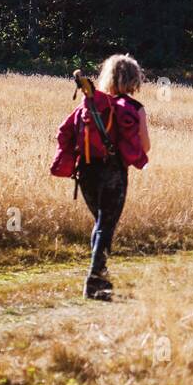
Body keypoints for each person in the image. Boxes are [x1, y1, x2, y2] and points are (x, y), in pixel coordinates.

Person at [50, 54, 150, 300]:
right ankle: (95, 283)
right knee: (106, 225)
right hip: (113, 171)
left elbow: (65, 133)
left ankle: (101, 278)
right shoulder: (134, 108)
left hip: (84, 171)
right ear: (134, 79)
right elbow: (145, 147)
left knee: (100, 223)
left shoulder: (90, 105)